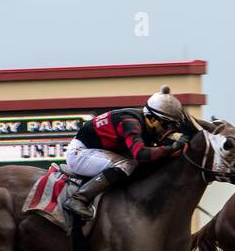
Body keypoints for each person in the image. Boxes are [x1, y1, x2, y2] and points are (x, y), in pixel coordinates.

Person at [62, 86, 190, 220]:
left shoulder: (143, 121)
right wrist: (173, 147)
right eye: (166, 126)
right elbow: (140, 154)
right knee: (127, 165)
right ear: (152, 119)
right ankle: (78, 199)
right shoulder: (131, 122)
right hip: (79, 153)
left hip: (92, 151)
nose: (167, 131)